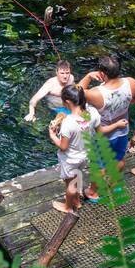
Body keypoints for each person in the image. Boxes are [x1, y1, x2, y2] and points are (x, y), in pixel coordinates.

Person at [79, 54, 135, 164]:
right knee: (119, 160)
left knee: (101, 166)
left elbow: (76, 92)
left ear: (102, 74)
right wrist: (130, 98)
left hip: (103, 136)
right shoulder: (131, 83)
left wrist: (88, 76)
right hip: (123, 131)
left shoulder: (96, 93)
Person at [49, 84, 101, 212]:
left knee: (70, 184)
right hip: (84, 155)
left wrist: (52, 135)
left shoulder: (68, 123)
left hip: (70, 159)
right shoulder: (92, 113)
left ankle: (68, 207)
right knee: (77, 177)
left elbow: (63, 146)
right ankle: (77, 202)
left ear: (67, 102)